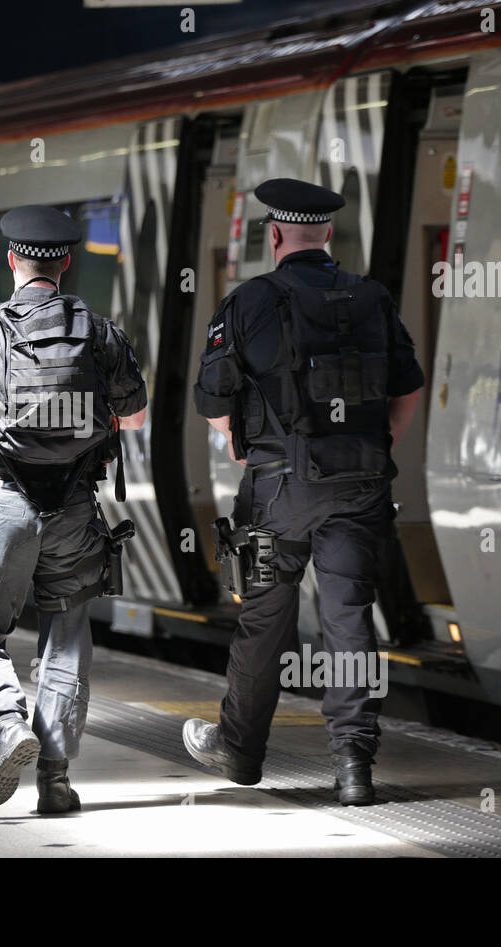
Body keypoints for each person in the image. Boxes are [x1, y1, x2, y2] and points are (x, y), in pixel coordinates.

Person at [187, 178, 424, 806]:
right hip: (360, 491)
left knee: (265, 618)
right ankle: (353, 764)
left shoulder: (251, 301)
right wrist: (379, 446)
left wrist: (242, 444)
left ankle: (240, 750)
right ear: (327, 234)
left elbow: (211, 399)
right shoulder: (373, 297)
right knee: (349, 621)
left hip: (276, 496)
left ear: (275, 235)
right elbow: (407, 387)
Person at [0, 204, 147, 813]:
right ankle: (55, 780)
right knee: (66, 635)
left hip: (5, 505)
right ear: (67, 263)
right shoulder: (100, 334)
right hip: (75, 506)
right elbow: (136, 414)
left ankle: (6, 723)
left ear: (12, 259)